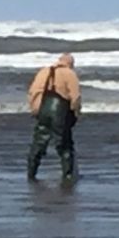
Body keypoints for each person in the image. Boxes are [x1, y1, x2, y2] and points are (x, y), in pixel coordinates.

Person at [26, 53, 82, 181]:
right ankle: (68, 175)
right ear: (70, 63)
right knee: (64, 143)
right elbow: (75, 96)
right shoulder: (69, 74)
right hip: (59, 110)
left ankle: (31, 173)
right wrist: (76, 112)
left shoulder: (43, 72)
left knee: (39, 142)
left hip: (43, 109)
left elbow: (33, 92)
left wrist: (35, 109)